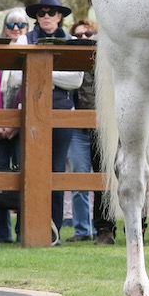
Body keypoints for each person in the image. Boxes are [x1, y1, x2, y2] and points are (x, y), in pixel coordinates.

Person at [17, 0, 83, 239]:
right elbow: (15, 77)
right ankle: (26, 226)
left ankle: (53, 228)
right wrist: (54, 75)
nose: (46, 17)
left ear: (59, 16)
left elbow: (76, 80)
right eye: (41, 13)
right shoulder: (25, 39)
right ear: (36, 16)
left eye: (51, 13)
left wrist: (40, 72)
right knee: (29, 168)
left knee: (55, 170)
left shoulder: (71, 40)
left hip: (62, 114)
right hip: (31, 113)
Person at [0, 8, 30, 244]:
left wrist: (16, 124)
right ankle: (1, 233)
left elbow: (28, 90)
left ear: (27, 28)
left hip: (21, 126)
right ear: (4, 27)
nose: (16, 29)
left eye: (21, 25)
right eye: (11, 25)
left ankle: (24, 230)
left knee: (24, 175)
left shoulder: (30, 52)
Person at [66, 17, 99, 242]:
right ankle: (82, 230)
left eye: (87, 35)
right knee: (78, 179)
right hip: (77, 126)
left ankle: (102, 229)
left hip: (102, 127)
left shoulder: (106, 58)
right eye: (77, 36)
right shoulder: (69, 61)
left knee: (104, 179)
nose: (83, 39)